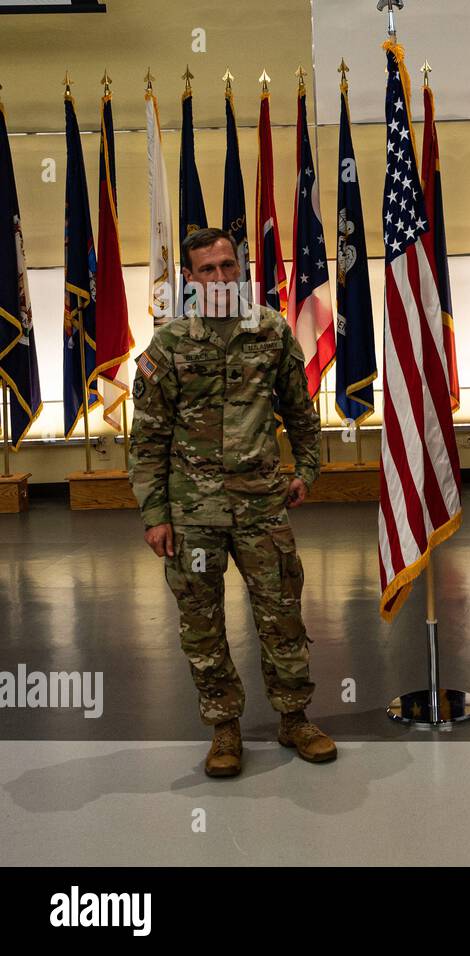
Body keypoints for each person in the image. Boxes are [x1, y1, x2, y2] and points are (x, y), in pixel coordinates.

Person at [129, 227, 335, 778]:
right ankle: (224, 726)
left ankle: (294, 717)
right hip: (192, 514)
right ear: (190, 279)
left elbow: (300, 410)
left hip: (262, 507)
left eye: (227, 265)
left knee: (281, 613)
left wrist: (308, 469)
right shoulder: (168, 346)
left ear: (239, 268)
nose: (220, 276)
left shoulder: (269, 331)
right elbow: (146, 439)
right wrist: (154, 516)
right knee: (201, 622)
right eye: (208, 269)